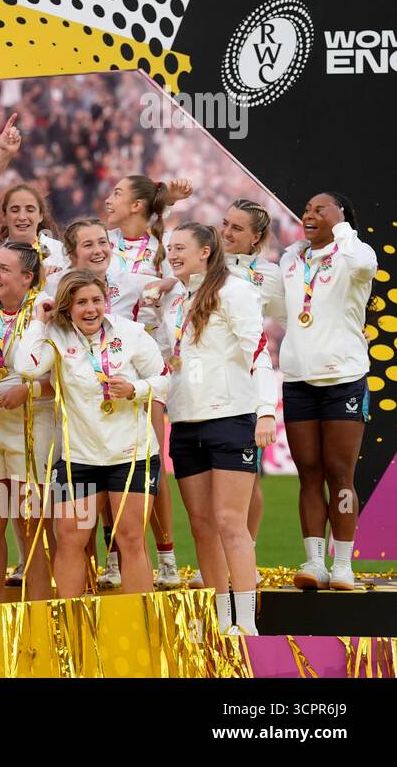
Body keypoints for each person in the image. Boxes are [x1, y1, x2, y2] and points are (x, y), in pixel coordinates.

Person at [16, 269, 168, 598]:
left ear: (106, 301)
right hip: (80, 457)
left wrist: (135, 389)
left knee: (130, 538)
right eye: (80, 302)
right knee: (70, 537)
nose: (90, 309)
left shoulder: (130, 332)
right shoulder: (56, 335)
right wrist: (39, 322)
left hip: (132, 455)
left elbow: (164, 379)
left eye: (96, 301)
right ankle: (72, 625)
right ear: (67, 307)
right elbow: (26, 368)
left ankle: (138, 623)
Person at [162, 223, 276, 635]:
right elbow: (167, 357)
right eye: (169, 248)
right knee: (201, 524)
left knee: (230, 521)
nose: (172, 255)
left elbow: (258, 351)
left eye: (180, 248)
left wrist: (266, 410)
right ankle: (220, 617)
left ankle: (246, 624)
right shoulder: (175, 297)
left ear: (206, 251)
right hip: (186, 423)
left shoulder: (235, 291)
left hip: (230, 418)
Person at [280, 193, 377, 592]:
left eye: (321, 209)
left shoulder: (354, 255)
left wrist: (343, 229)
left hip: (344, 379)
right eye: (306, 209)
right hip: (299, 380)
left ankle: (342, 565)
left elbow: (364, 263)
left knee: (340, 474)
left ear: (342, 218)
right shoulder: (291, 260)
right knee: (308, 474)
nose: (309, 214)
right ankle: (314, 562)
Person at [101, 175, 191, 590]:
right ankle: (115, 557)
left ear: (137, 205)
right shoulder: (102, 244)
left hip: (147, 365)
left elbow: (188, 284)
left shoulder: (162, 249)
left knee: (151, 463)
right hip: (103, 365)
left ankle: (168, 556)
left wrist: (170, 282)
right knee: (105, 464)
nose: (110, 198)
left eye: (118, 193)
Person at [0, 243, 55, 603]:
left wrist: (29, 390)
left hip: (32, 426)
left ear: (27, 277)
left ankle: (37, 616)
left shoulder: (49, 315)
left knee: (33, 526)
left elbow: (69, 377)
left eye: (5, 268)